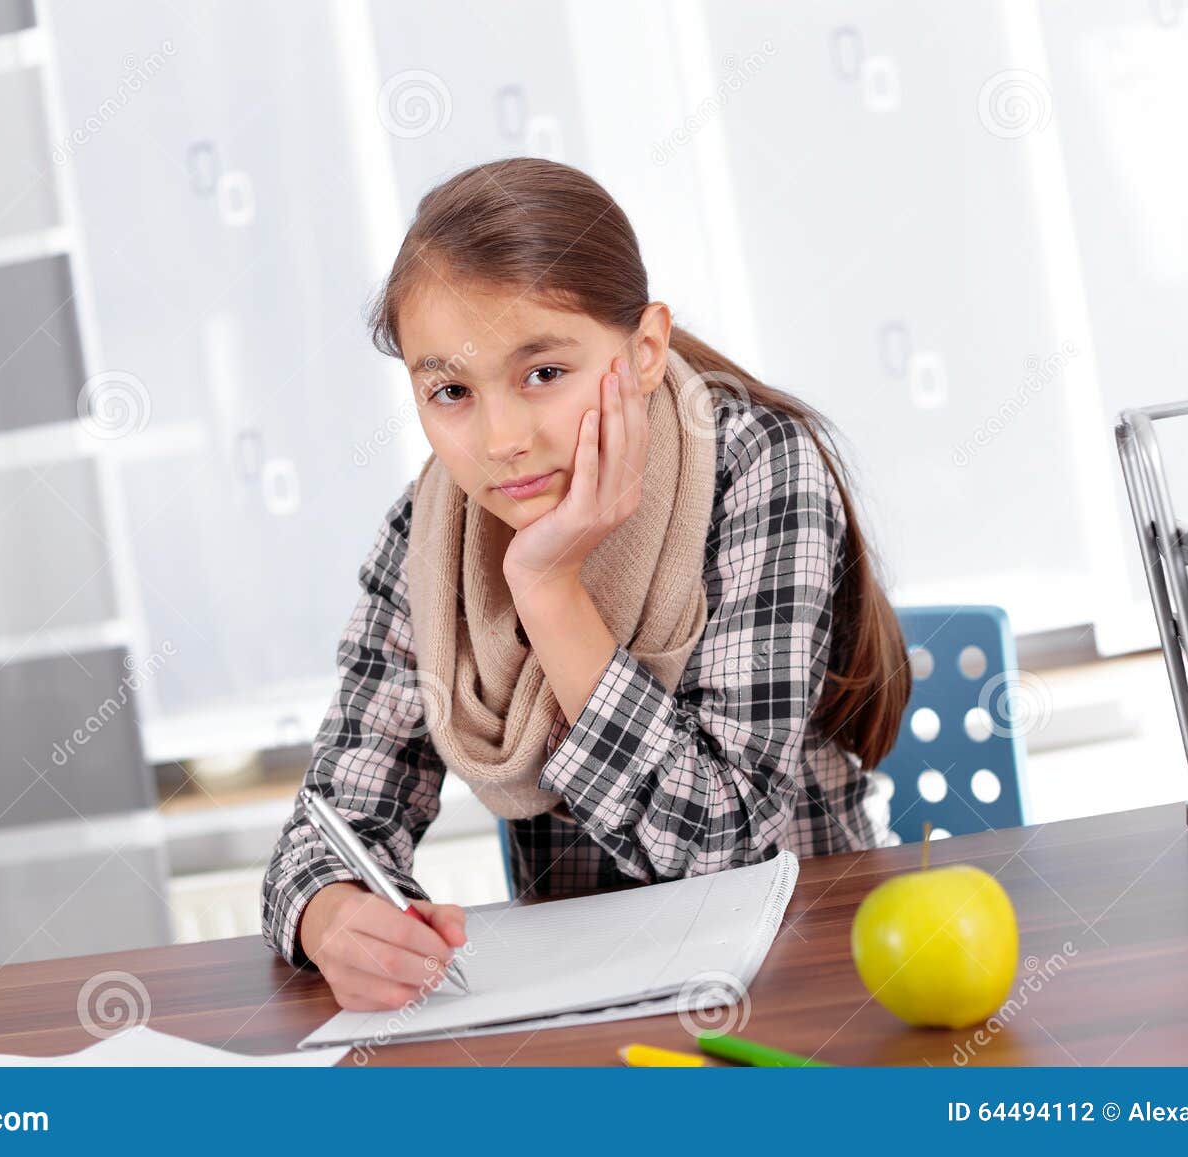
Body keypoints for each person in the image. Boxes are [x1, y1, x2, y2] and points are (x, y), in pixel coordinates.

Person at [262, 157, 909, 1011]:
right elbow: (328, 828)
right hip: (588, 1010)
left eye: (543, 373)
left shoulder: (755, 467)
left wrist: (549, 588)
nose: (503, 439)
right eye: (451, 390)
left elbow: (725, 844)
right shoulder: (431, 539)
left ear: (643, 350)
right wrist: (329, 911)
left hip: (809, 979)